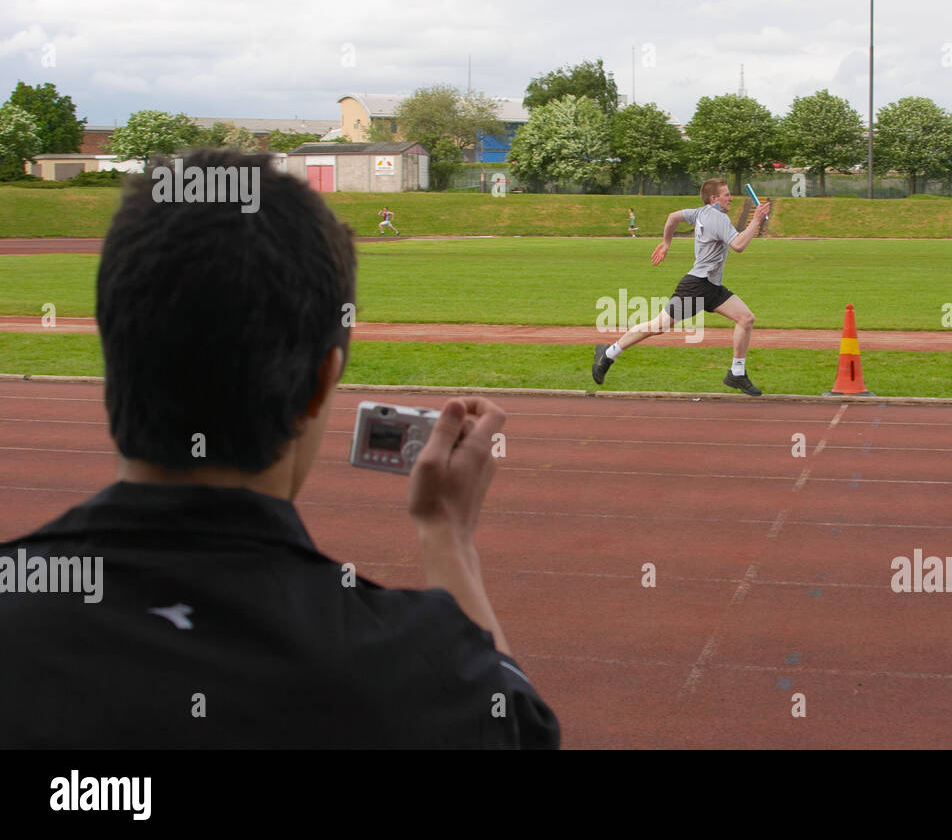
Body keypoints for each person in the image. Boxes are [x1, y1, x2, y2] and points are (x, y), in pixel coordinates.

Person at [0, 149, 559, 749]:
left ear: (117, 352)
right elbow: (514, 726)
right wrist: (449, 539)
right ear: (322, 380)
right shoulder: (413, 668)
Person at [592, 178, 771, 396]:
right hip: (696, 287)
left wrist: (667, 242)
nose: (730, 198)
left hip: (711, 286)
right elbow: (739, 245)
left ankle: (737, 373)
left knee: (746, 318)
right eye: (726, 195)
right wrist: (757, 219)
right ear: (714, 198)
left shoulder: (699, 213)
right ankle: (608, 353)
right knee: (659, 326)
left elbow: (672, 217)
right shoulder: (717, 218)